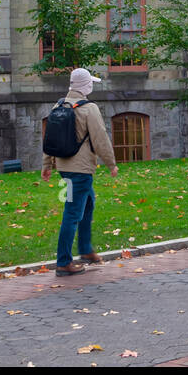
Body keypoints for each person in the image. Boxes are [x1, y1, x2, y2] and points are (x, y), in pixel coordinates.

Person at [40, 67, 117, 276]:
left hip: (64, 169)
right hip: (80, 171)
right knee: (72, 213)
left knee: (88, 204)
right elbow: (100, 139)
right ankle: (63, 262)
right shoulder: (89, 108)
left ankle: (85, 250)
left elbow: (50, 138)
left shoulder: (59, 105)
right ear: (87, 85)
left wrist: (47, 165)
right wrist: (111, 164)